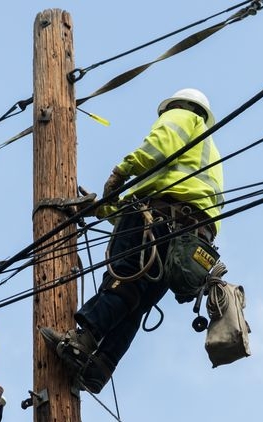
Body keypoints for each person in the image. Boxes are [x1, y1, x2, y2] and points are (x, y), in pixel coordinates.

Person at [41, 88, 225, 393]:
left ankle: (82, 341)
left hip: (161, 219)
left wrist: (121, 171)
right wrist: (102, 209)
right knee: (136, 302)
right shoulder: (209, 152)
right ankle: (99, 369)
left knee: (124, 280)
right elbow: (163, 196)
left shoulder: (183, 117)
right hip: (187, 242)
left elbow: (159, 146)